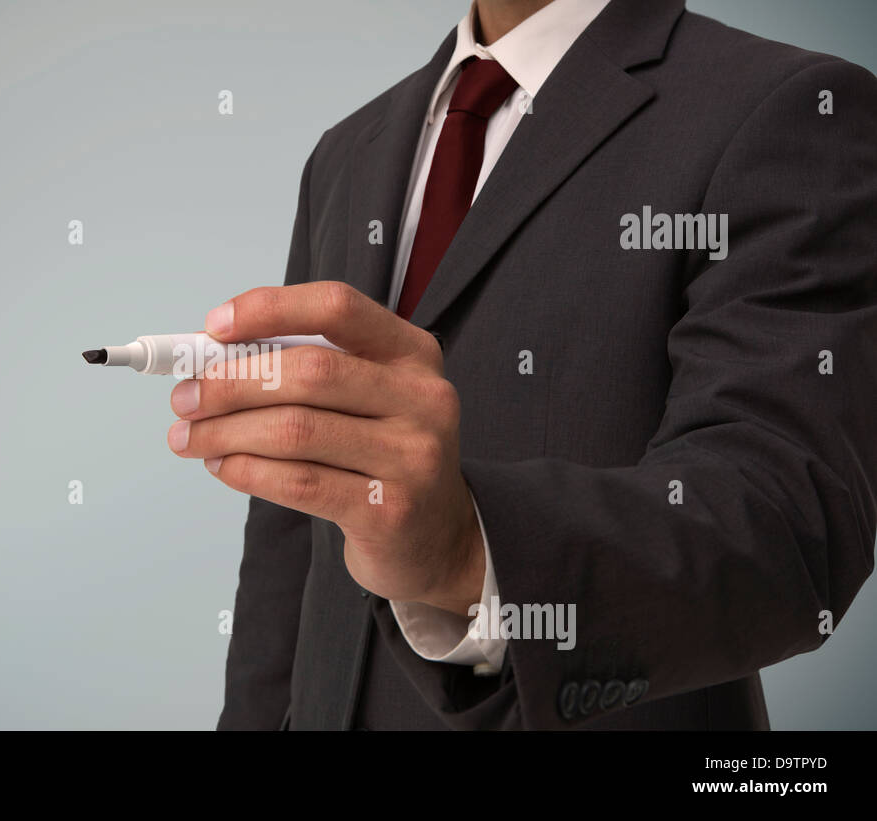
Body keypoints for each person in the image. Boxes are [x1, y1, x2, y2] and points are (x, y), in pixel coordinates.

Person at [166, 0, 877, 729]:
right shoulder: (347, 152)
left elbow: (789, 520)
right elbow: (292, 544)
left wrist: (469, 554)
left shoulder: (785, 107)